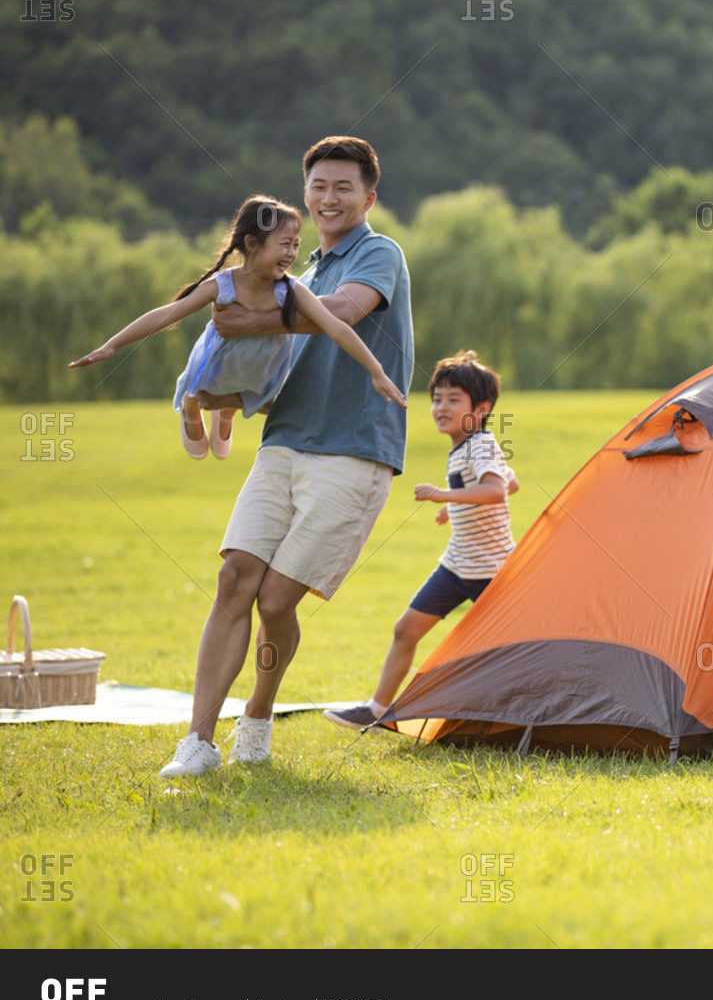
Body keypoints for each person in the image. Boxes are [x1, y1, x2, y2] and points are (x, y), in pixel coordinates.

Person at [156, 136, 415, 776]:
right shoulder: (294, 274)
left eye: (343, 187)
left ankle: (260, 716)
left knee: (275, 602)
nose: (329, 198)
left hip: (353, 450)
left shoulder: (378, 253)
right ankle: (198, 741)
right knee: (233, 578)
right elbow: (266, 371)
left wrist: (252, 318)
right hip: (285, 443)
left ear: (368, 197)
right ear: (305, 194)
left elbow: (346, 312)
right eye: (319, 186)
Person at [69, 196, 404, 459]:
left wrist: (376, 371)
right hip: (219, 367)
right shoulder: (223, 285)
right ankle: (190, 409)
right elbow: (169, 314)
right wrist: (112, 344)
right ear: (252, 244)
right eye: (284, 244)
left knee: (266, 400)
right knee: (200, 394)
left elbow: (336, 327)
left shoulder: (290, 289)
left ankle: (227, 414)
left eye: (296, 244)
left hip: (260, 373)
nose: (292, 253)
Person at [325, 351, 519, 731]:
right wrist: (458, 507)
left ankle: (514, 717)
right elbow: (510, 482)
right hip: (457, 565)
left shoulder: (478, 444)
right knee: (406, 629)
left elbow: (496, 491)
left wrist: (444, 496)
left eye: (453, 399)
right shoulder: (466, 446)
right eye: (436, 398)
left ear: (480, 409)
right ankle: (378, 710)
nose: (441, 407)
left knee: (508, 650)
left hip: (492, 572)